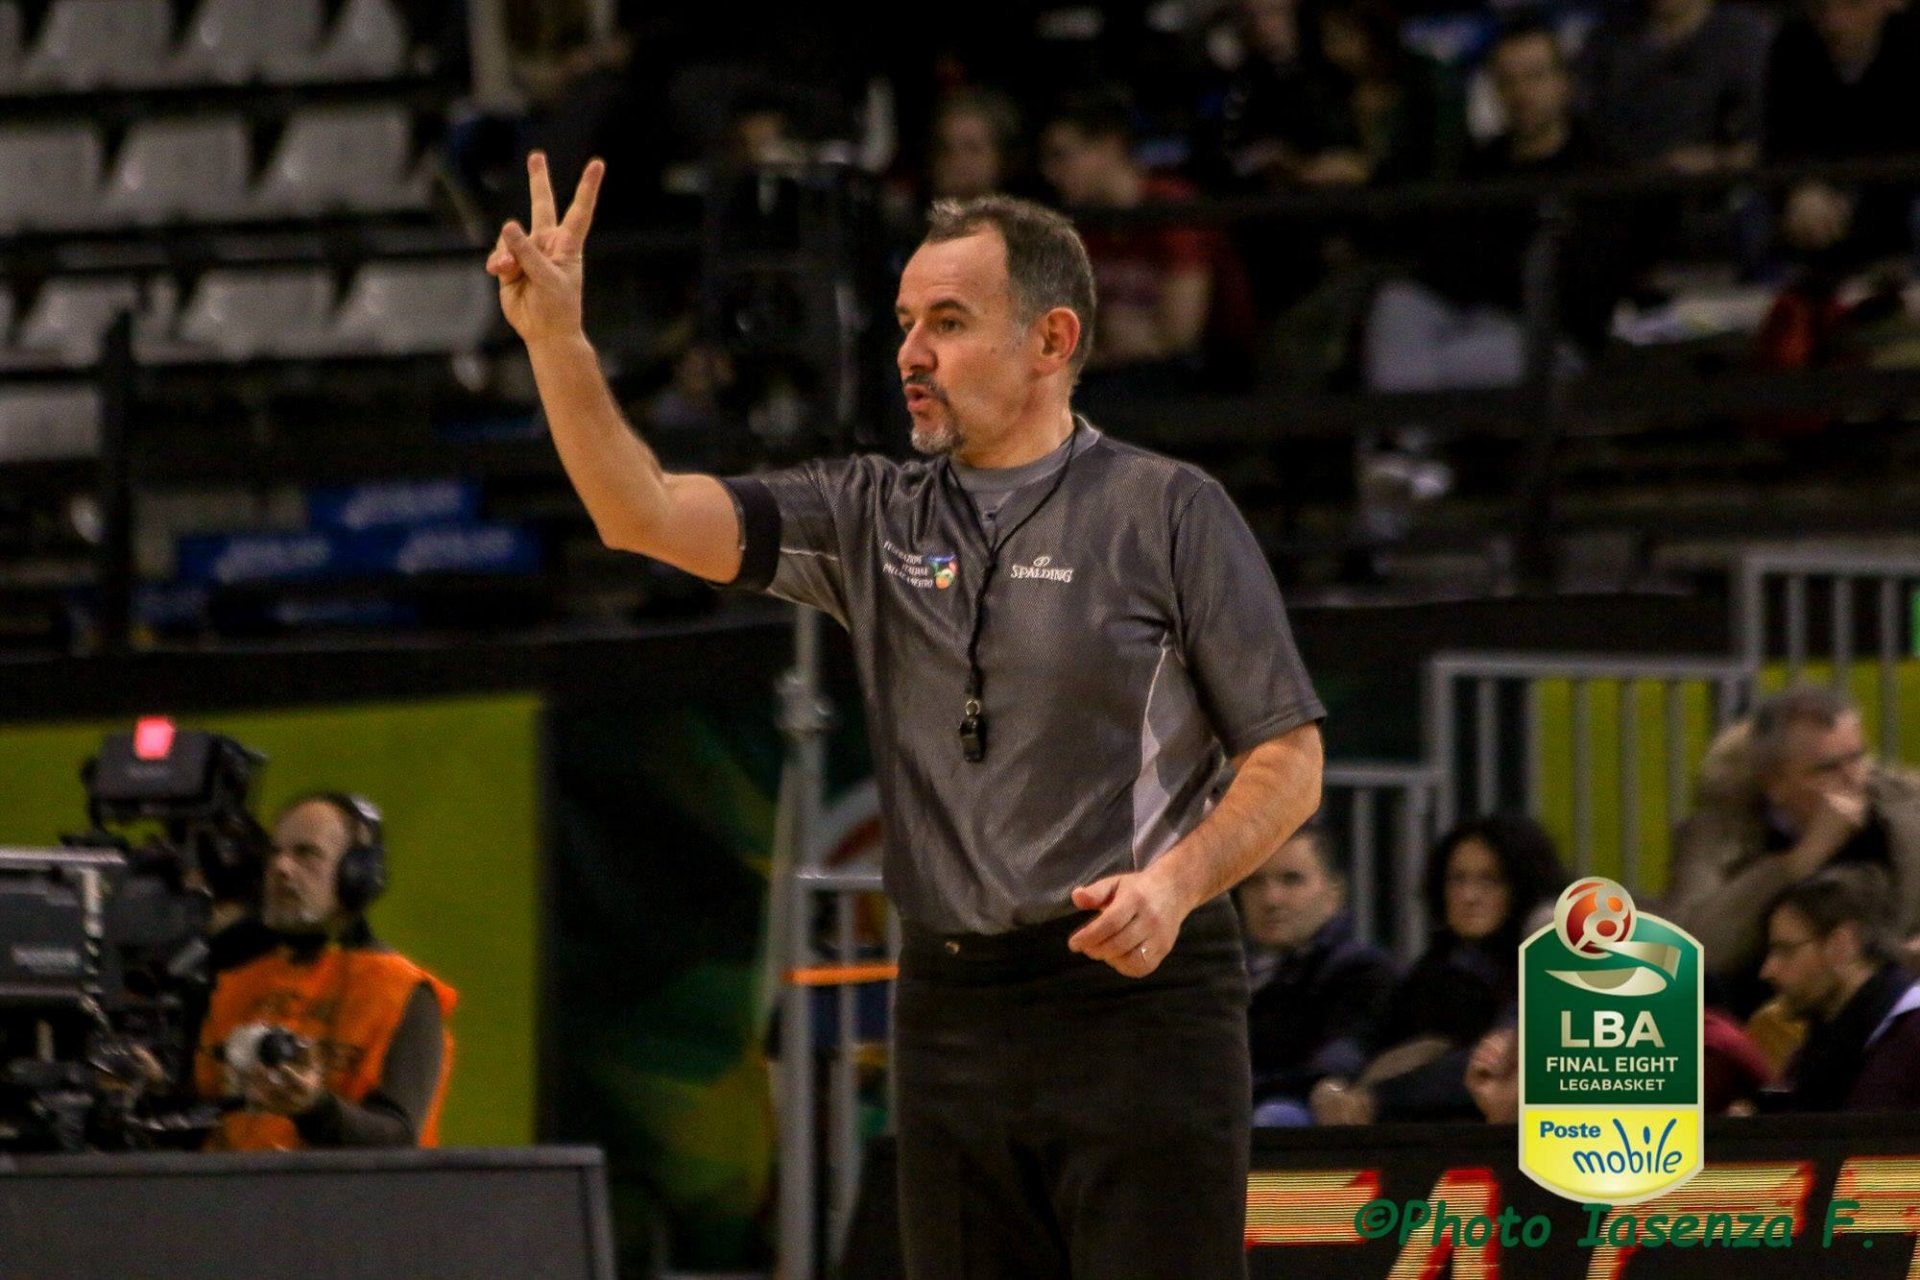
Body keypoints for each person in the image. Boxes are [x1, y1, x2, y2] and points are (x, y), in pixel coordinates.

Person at [487, 154, 1325, 1279]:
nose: (910, 354)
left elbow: (1289, 754)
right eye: (902, 322)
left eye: (948, 321)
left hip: (1138, 1004)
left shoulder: (1166, 508)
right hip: (950, 1011)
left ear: (1053, 340)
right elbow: (637, 512)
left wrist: (1174, 883)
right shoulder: (870, 510)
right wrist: (558, 342)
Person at [194, 793, 456, 1150]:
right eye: (274, 854)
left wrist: (313, 1109)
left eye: (306, 854)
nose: (281, 868)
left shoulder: (401, 991)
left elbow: (398, 1138)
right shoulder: (235, 983)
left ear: (356, 875)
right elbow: (199, 1112)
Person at [1669, 685, 1920, 1014]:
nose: (1854, 780)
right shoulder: (1718, 831)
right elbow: (1695, 948)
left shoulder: (1902, 816)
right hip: (1764, 1018)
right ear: (1775, 784)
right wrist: (1797, 862)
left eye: (1857, 758)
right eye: (1828, 769)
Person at [1312, 814, 1565, 1124]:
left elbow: (1496, 1063)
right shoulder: (1430, 970)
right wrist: (1332, 1082)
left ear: (1522, 885)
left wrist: (1378, 1097)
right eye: (1457, 879)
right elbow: (1368, 1036)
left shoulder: (1541, 963)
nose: (1469, 896)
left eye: (1490, 880)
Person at [1237, 823, 1396, 1126]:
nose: (1271, 899)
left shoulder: (1361, 971)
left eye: (1291, 880)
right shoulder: (1226, 976)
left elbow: (1335, 1067)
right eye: (1254, 882)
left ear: (1334, 893)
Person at [1760, 865, 1920, 1111]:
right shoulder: (1816, 1052)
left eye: (1785, 951)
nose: (1768, 970)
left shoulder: (1911, 1036)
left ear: (1840, 945)